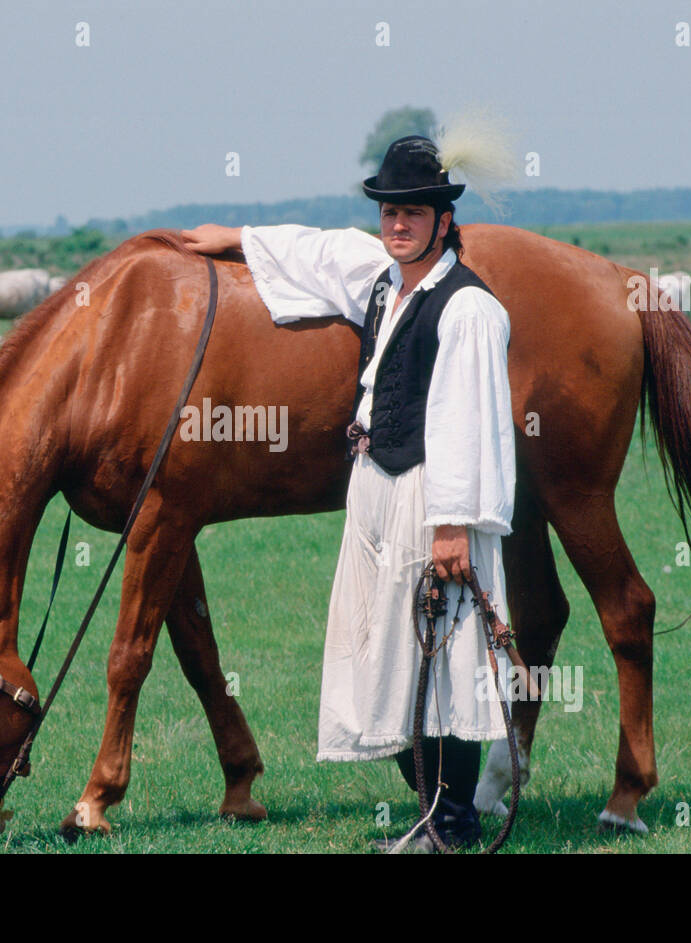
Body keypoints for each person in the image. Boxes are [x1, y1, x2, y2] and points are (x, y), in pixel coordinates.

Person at [182, 134, 516, 851]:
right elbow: (320, 249)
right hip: (373, 489)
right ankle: (435, 814)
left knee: (443, 662)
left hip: (432, 498)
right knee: (383, 657)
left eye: (414, 212)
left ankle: (452, 823)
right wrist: (234, 238)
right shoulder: (382, 280)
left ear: (443, 219)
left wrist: (454, 524)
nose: (398, 224)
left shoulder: (467, 309)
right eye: (390, 211)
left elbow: (468, 421)